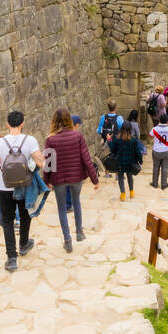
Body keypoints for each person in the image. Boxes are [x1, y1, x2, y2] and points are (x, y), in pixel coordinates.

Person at [0, 110, 43, 272]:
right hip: (24, 185)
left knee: (8, 221)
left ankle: (11, 258)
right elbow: (40, 162)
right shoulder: (30, 140)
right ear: (23, 123)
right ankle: (24, 244)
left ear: (7, 124)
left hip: (5, 187)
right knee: (25, 215)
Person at [44, 107, 99, 252]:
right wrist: (95, 179)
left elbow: (49, 164)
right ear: (69, 120)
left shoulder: (50, 140)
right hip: (76, 178)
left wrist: (46, 181)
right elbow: (87, 159)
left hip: (59, 179)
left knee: (62, 209)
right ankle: (79, 232)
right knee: (76, 202)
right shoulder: (78, 136)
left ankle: (67, 239)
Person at [109, 123, 141, 200]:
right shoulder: (133, 140)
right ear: (130, 129)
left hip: (120, 162)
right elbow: (137, 151)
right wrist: (140, 160)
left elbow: (112, 150)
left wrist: (109, 141)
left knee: (120, 177)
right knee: (130, 177)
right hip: (130, 162)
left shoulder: (117, 139)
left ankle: (123, 195)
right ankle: (131, 192)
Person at [150, 113, 168, 189]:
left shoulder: (154, 129)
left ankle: (155, 183)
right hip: (166, 151)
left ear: (159, 120)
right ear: (167, 121)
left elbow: (150, 135)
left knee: (156, 167)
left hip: (156, 151)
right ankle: (164, 184)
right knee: (165, 167)